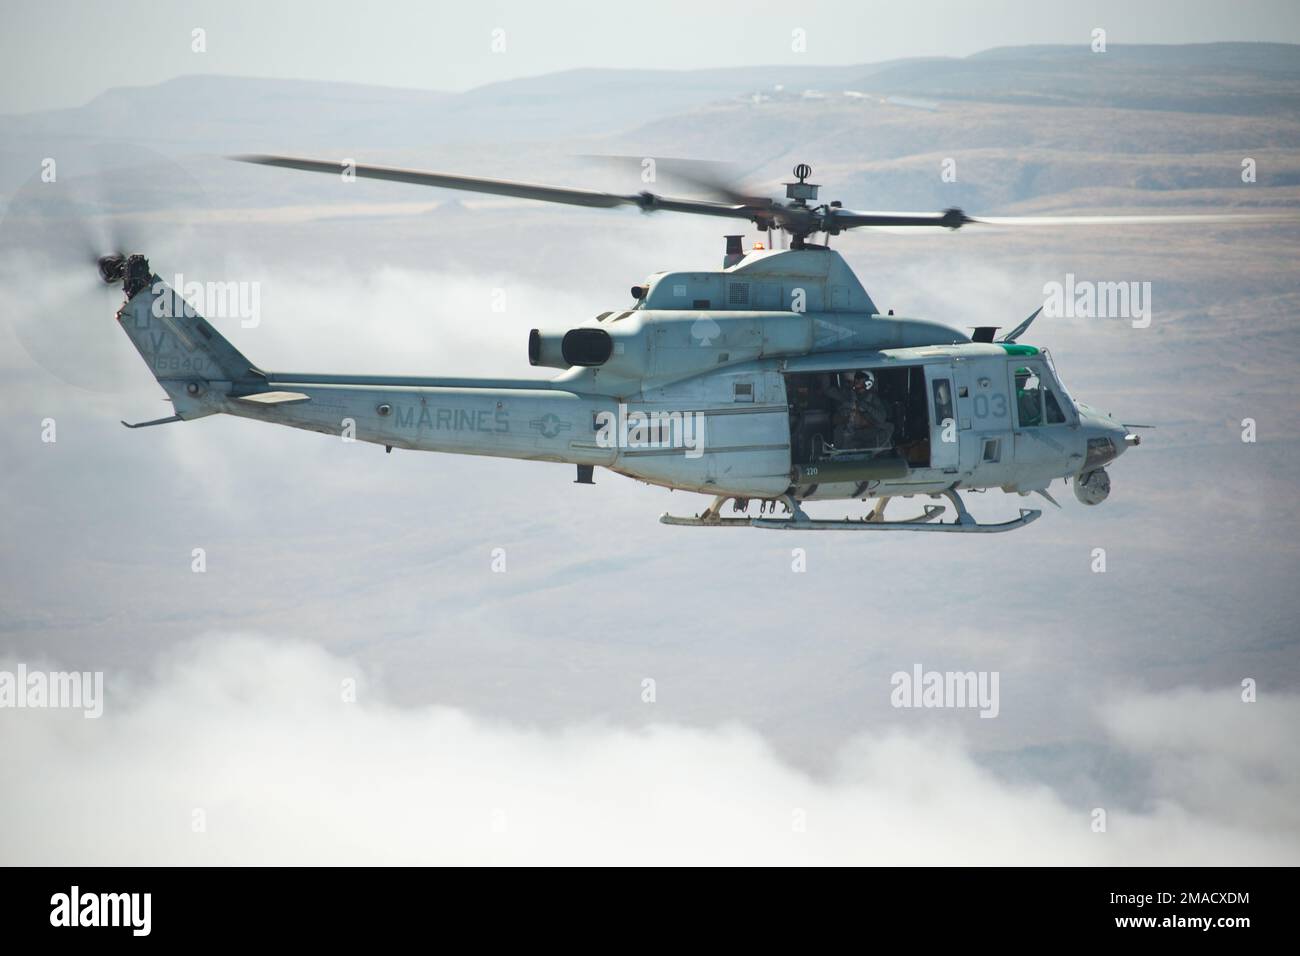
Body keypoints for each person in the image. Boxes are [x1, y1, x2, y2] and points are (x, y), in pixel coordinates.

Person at [830, 370, 893, 451]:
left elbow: (881, 418)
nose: (856, 381)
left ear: (868, 382)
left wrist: (865, 406)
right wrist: (846, 418)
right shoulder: (848, 396)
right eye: (856, 379)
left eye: (859, 379)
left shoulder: (874, 400)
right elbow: (835, 419)